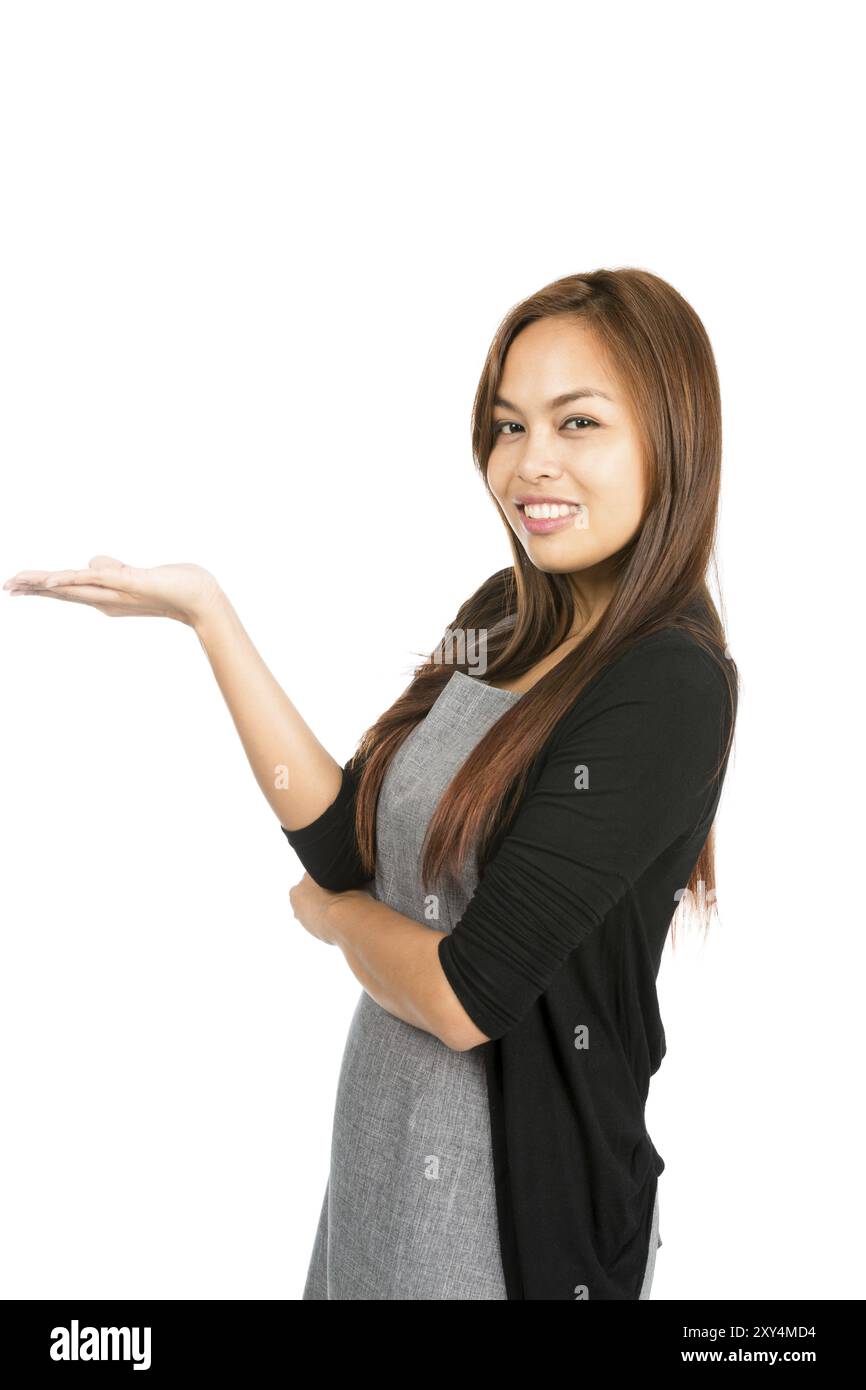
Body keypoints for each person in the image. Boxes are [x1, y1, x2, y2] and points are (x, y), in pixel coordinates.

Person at [4, 267, 738, 1300]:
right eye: (506, 425)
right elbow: (349, 840)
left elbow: (459, 996)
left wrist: (334, 923)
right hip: (384, 1159)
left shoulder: (668, 681)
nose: (529, 463)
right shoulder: (500, 610)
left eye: (577, 423)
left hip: (513, 1229)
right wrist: (208, 616)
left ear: (674, 436)